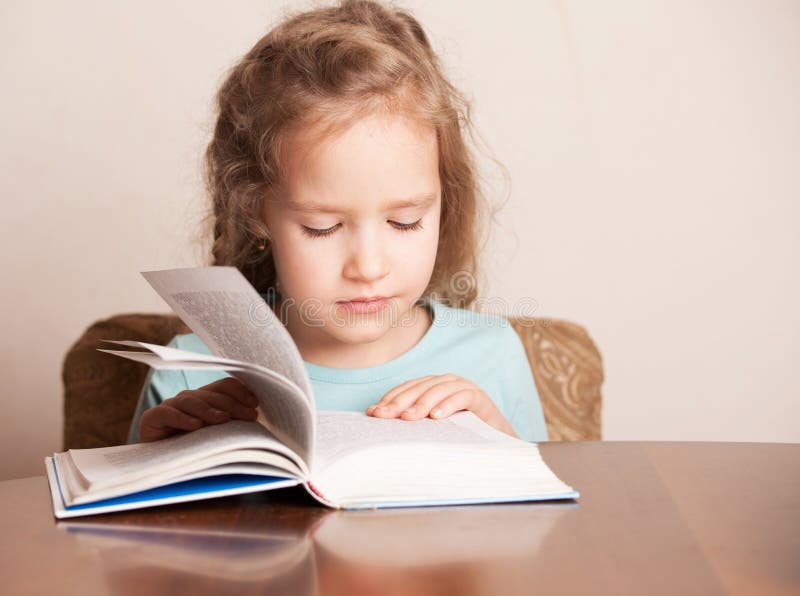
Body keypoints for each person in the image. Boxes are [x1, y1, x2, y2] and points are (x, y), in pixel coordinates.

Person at [128, 0, 548, 445]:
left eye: (405, 222)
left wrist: (505, 445)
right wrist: (156, 463)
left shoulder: (492, 355)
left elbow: (551, 512)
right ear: (255, 213)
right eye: (322, 227)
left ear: (445, 204)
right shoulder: (188, 374)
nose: (368, 267)